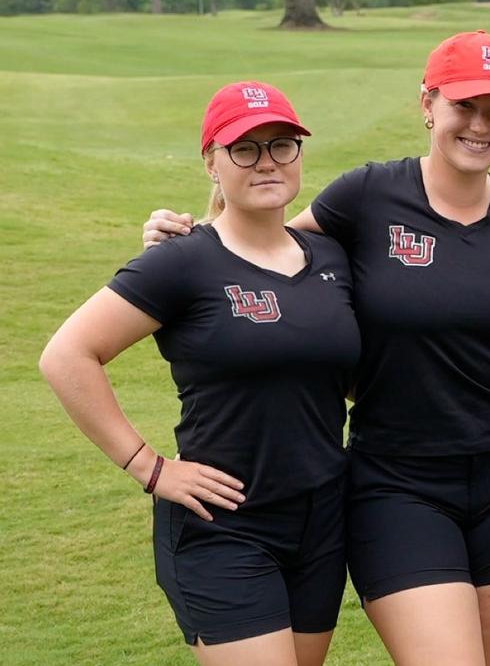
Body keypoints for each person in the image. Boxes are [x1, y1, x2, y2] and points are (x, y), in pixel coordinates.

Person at [139, 32, 490, 666]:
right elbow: (265, 249)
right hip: (398, 480)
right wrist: (186, 242)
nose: (481, 125)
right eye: (464, 105)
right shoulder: (365, 197)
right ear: (428, 103)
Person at [40, 82, 360, 666]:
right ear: (211, 161)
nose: (267, 161)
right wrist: (148, 466)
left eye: (282, 145)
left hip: (321, 520)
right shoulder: (181, 260)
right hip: (223, 528)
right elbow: (66, 356)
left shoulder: (331, 259)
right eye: (245, 148)